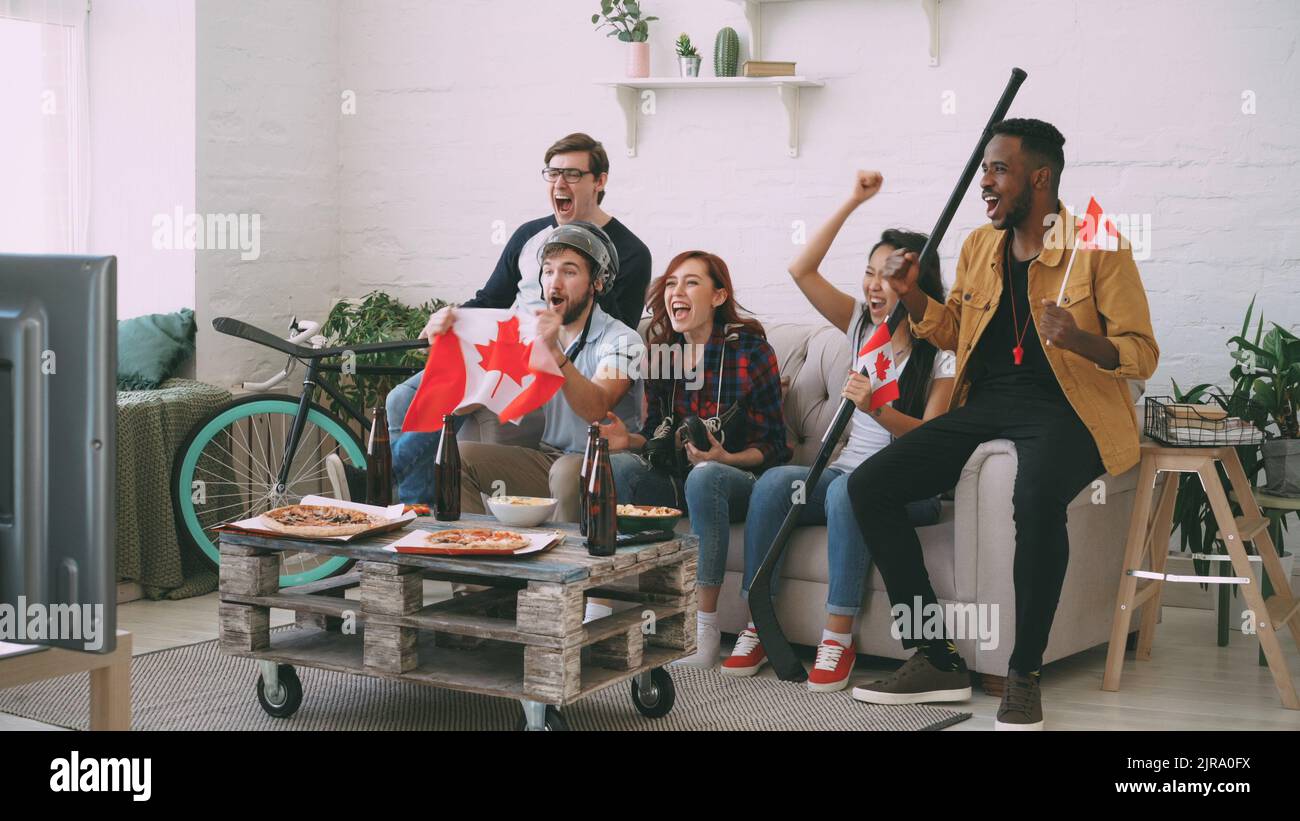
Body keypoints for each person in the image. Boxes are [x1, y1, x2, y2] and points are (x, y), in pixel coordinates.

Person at [846, 119, 1159, 730]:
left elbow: (1142, 352)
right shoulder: (978, 248)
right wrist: (913, 297)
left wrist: (1079, 339)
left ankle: (1024, 674)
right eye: (984, 169)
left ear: (1038, 178)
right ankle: (935, 655)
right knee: (868, 486)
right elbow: (956, 334)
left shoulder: (1097, 244)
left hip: (1070, 410)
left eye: (998, 170)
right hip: (986, 404)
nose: (983, 184)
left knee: (1035, 497)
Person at [721, 172, 956, 690]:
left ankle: (838, 635)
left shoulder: (942, 349)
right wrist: (852, 200)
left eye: (888, 275)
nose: (874, 284)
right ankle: (759, 622)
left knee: (853, 489)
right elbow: (800, 269)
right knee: (775, 484)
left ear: (915, 285)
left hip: (906, 489)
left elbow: (932, 443)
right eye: (869, 272)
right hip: (845, 471)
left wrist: (877, 409)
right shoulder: (860, 327)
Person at [387, 133, 651, 502]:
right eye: (553, 173)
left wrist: (552, 345)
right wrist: (451, 318)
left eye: (573, 174)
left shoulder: (629, 256)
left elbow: (608, 333)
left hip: (546, 362)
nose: (560, 184)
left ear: (599, 181)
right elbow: (490, 299)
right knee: (402, 400)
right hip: (509, 351)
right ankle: (417, 523)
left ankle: (375, 478)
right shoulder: (530, 236)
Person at [600, 251, 790, 667]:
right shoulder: (664, 353)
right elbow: (656, 437)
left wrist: (725, 457)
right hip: (674, 481)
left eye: (690, 283)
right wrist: (626, 440)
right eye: (671, 283)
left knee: (705, 476)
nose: (676, 292)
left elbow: (775, 445)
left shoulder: (751, 351)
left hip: (738, 482)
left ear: (719, 295)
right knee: (610, 469)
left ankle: (700, 628)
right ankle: (595, 613)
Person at [441, 221, 644, 520]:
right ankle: (482, 553)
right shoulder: (528, 333)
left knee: (565, 470)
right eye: (548, 271)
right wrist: (444, 337)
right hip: (549, 458)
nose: (555, 283)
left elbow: (597, 407)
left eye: (569, 271)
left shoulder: (624, 339)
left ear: (597, 283)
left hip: (609, 460)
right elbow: (466, 392)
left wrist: (553, 353)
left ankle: (568, 566)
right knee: (457, 458)